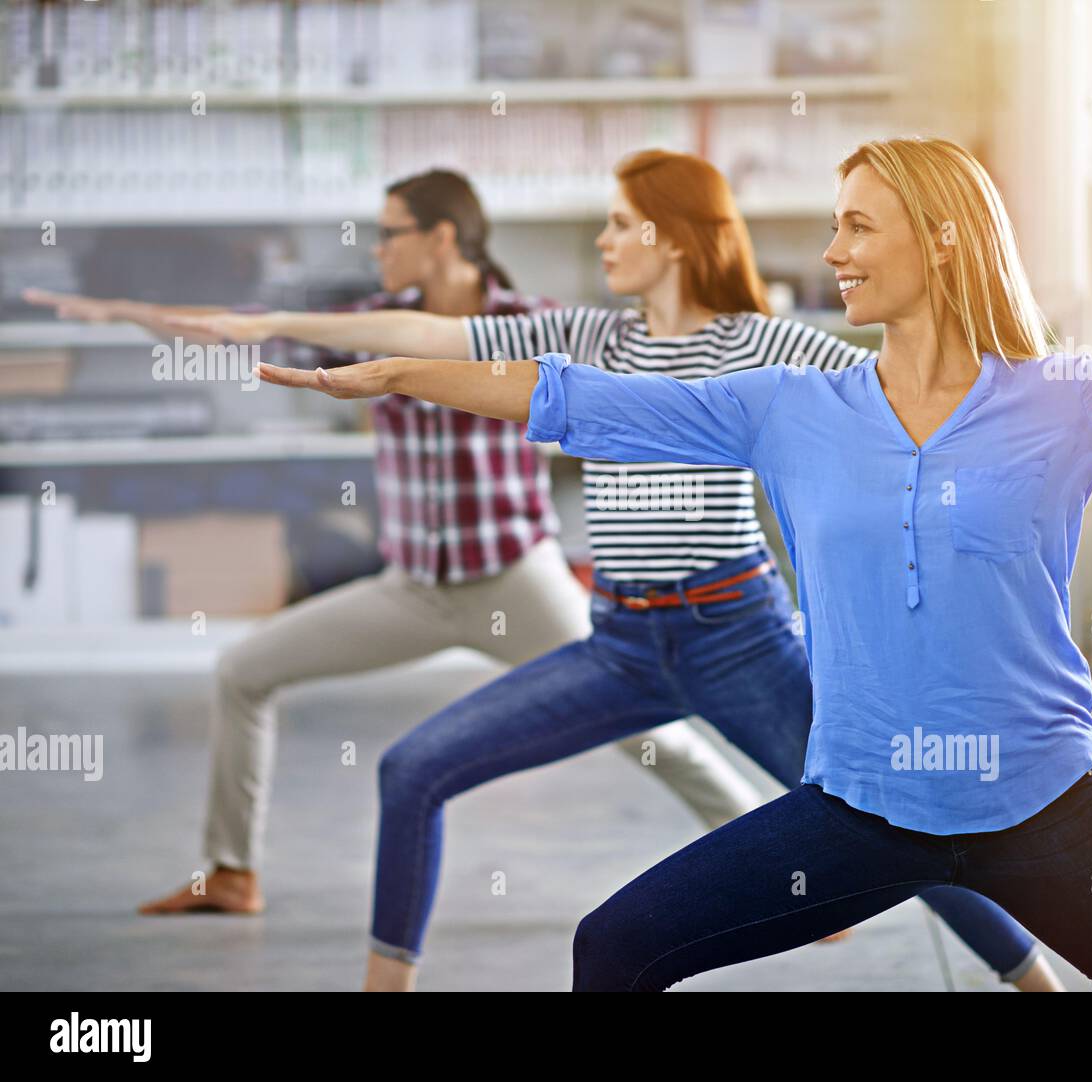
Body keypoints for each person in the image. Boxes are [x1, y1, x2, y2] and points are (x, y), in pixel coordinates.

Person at [204, 148, 1064, 992]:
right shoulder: (588, 336)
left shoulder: (759, 345)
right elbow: (431, 331)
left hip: (739, 640)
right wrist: (280, 329)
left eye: (620, 224)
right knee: (411, 769)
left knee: (898, 814)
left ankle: (1035, 981)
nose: (604, 242)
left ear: (677, 237)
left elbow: (909, 389)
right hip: (618, 643)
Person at [24, 168, 765, 917]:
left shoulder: (539, 323)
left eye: (390, 233)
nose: (376, 250)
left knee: (653, 733)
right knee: (242, 672)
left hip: (516, 578)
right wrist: (130, 311)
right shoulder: (374, 324)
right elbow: (238, 322)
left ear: (441, 238)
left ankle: (773, 866)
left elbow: (663, 383)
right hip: (411, 588)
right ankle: (230, 872)